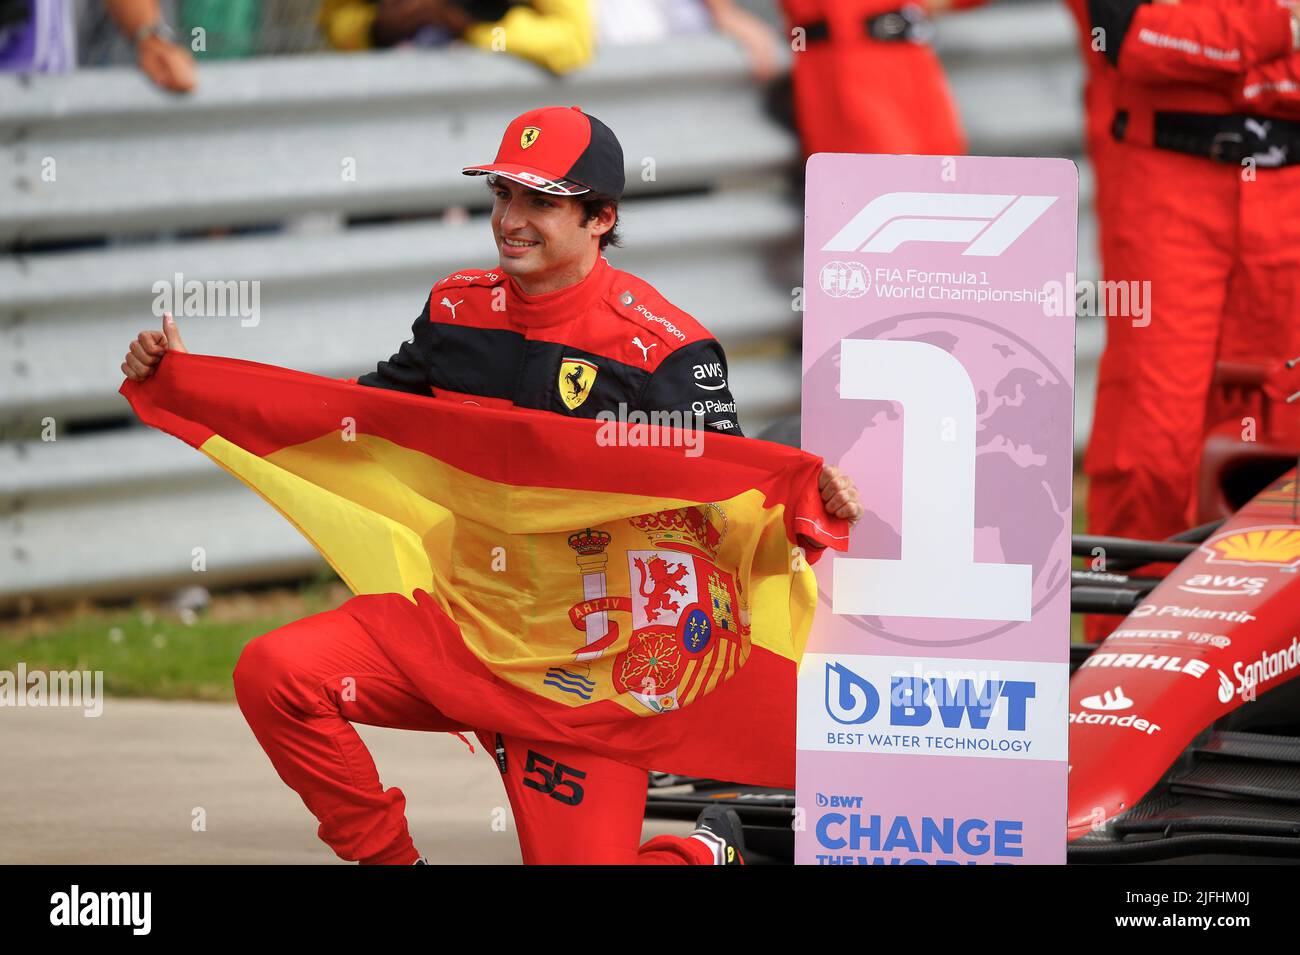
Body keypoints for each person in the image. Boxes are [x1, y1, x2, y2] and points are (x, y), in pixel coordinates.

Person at [121, 104, 863, 865]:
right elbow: (355, 422)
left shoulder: (667, 349)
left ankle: (705, 853)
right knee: (275, 672)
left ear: (600, 217)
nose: (510, 219)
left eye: (539, 201)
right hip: (457, 630)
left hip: (585, 681)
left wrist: (816, 503)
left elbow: (736, 501)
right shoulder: (455, 308)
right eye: (503, 194)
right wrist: (192, 383)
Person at [1084, 0, 1300, 639]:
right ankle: (1114, 664)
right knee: (1150, 451)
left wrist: (1226, 61)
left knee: (1274, 452)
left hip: (1288, 199)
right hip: (1168, 189)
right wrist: (1279, 28)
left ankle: (1259, 660)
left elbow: (1177, 37)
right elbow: (1136, 39)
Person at [777, 0, 987, 157]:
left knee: (939, 177)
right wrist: (748, 30)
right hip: (837, 71)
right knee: (884, 179)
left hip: (909, 64)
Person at [319, 0, 592, 74]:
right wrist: (376, 26)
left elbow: (571, 43)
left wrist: (469, 26)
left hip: (493, 123)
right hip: (392, 122)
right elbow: (335, 21)